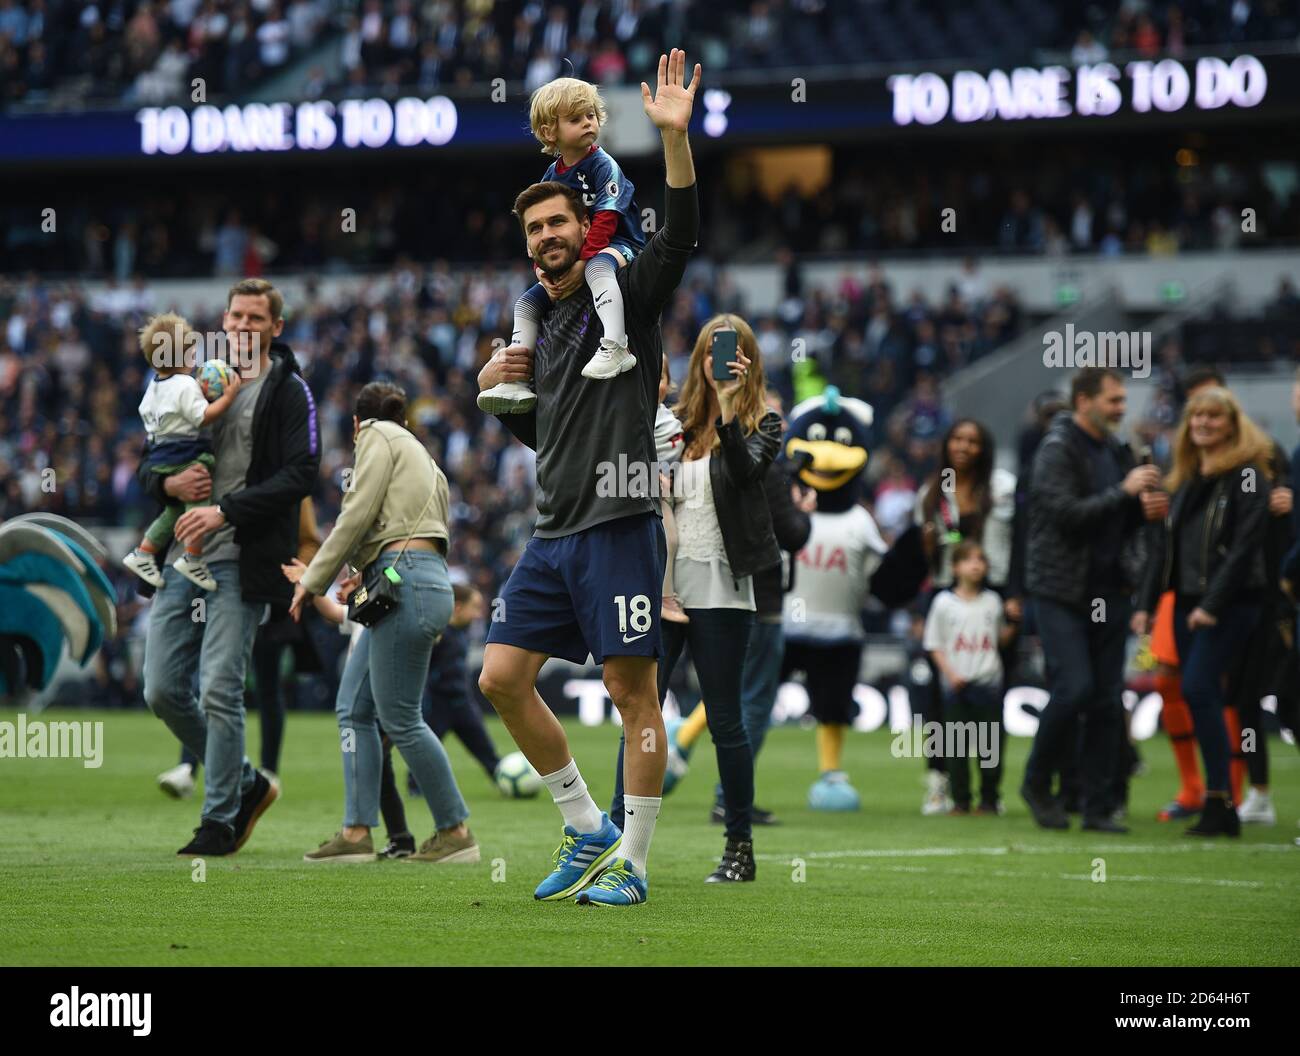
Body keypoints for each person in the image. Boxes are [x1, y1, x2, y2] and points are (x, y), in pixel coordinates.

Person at [474, 49, 702, 907]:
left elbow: (678, 234)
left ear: (588, 223)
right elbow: (548, 433)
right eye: (533, 230)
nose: (545, 239)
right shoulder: (543, 326)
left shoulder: (627, 299)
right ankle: (584, 828)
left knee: (631, 694)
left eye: (557, 225)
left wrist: (674, 141)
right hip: (554, 528)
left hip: (618, 523)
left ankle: (634, 869)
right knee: (499, 677)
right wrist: (499, 399)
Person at [141, 277, 320, 856]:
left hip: (242, 561)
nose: (243, 326)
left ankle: (218, 820)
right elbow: (152, 452)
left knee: (220, 688)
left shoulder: (290, 391)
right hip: (181, 558)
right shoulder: (197, 380)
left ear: (275, 327)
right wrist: (164, 481)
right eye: (235, 316)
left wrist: (225, 510)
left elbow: (301, 474)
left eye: (254, 318)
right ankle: (245, 781)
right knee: (161, 689)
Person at [610, 314, 781, 882]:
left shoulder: (764, 425)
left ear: (746, 360)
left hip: (724, 584)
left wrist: (731, 409)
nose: (718, 360)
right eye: (710, 351)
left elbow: (742, 474)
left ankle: (739, 846)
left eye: (729, 351)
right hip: (662, 583)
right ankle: (615, 841)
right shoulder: (672, 423)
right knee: (640, 713)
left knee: (726, 719)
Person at [290, 382, 477, 864]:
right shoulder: (425, 460)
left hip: (404, 586)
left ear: (357, 423)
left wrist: (313, 580)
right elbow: (394, 527)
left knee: (400, 718)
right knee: (354, 707)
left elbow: (356, 513)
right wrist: (362, 572)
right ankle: (356, 834)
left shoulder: (375, 436)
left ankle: (455, 830)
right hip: (420, 581)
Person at [1020, 367, 1160, 834]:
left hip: (1110, 590)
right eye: (1114, 401)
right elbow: (1066, 516)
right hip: (1061, 590)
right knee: (1074, 688)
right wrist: (1123, 492)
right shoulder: (1057, 449)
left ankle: (1096, 805)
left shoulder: (1118, 451)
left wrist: (1146, 511)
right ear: (1084, 401)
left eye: (1122, 401)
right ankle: (1037, 782)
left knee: (1105, 701)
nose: (1122, 410)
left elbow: (1121, 521)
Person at [1134, 386, 1275, 836]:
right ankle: (1217, 801)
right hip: (1187, 602)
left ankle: (1222, 798)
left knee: (1198, 687)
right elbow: (1166, 549)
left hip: (1231, 602)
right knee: (1200, 692)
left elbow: (1246, 547)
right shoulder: (1186, 480)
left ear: (1233, 424)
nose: (1203, 425)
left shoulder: (1249, 475)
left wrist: (1212, 605)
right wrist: (1147, 604)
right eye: (1196, 418)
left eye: (1214, 417)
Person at [477, 73, 646, 414]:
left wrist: (582, 262)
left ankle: (615, 345)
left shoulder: (604, 166)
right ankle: (517, 381)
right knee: (525, 304)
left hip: (620, 244)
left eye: (590, 116)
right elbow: (538, 234)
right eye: (575, 118)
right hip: (578, 256)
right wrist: (542, 272)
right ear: (548, 132)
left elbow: (607, 221)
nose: (587, 123)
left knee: (599, 268)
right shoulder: (551, 178)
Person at [157, 497, 322, 798]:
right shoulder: (230, 473)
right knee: (211, 677)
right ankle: (189, 766)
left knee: (266, 682)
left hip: (270, 590)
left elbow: (309, 540)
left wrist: (297, 578)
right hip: (224, 587)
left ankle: (268, 771)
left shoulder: (289, 478)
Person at [912, 418, 1016, 815]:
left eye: (973, 441)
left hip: (997, 597)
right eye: (957, 438)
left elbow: (1020, 542)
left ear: (984, 448)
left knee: (991, 702)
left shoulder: (1005, 488)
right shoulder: (932, 493)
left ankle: (990, 793)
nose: (964, 446)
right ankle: (941, 783)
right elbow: (921, 557)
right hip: (944, 596)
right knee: (939, 703)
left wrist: (1017, 601)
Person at [124, 312, 242, 592]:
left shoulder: (152, 387)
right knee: (197, 497)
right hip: (184, 454)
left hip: (159, 455)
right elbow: (203, 417)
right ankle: (193, 557)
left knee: (172, 510)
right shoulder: (186, 385)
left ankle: (143, 552)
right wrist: (227, 397)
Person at [923, 540, 1014, 814]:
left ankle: (989, 799)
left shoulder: (993, 602)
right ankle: (961, 799)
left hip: (987, 682)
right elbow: (934, 644)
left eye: (981, 560)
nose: (976, 565)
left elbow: (999, 640)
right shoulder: (943, 603)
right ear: (955, 567)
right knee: (956, 746)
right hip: (956, 685)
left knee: (990, 747)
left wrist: (1016, 622)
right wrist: (951, 674)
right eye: (968, 560)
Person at [656, 355, 689, 622]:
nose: (656, 383)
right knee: (670, 539)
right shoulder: (627, 414)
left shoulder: (670, 417)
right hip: (636, 491)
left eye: (661, 377)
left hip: (670, 490)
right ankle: (665, 597)